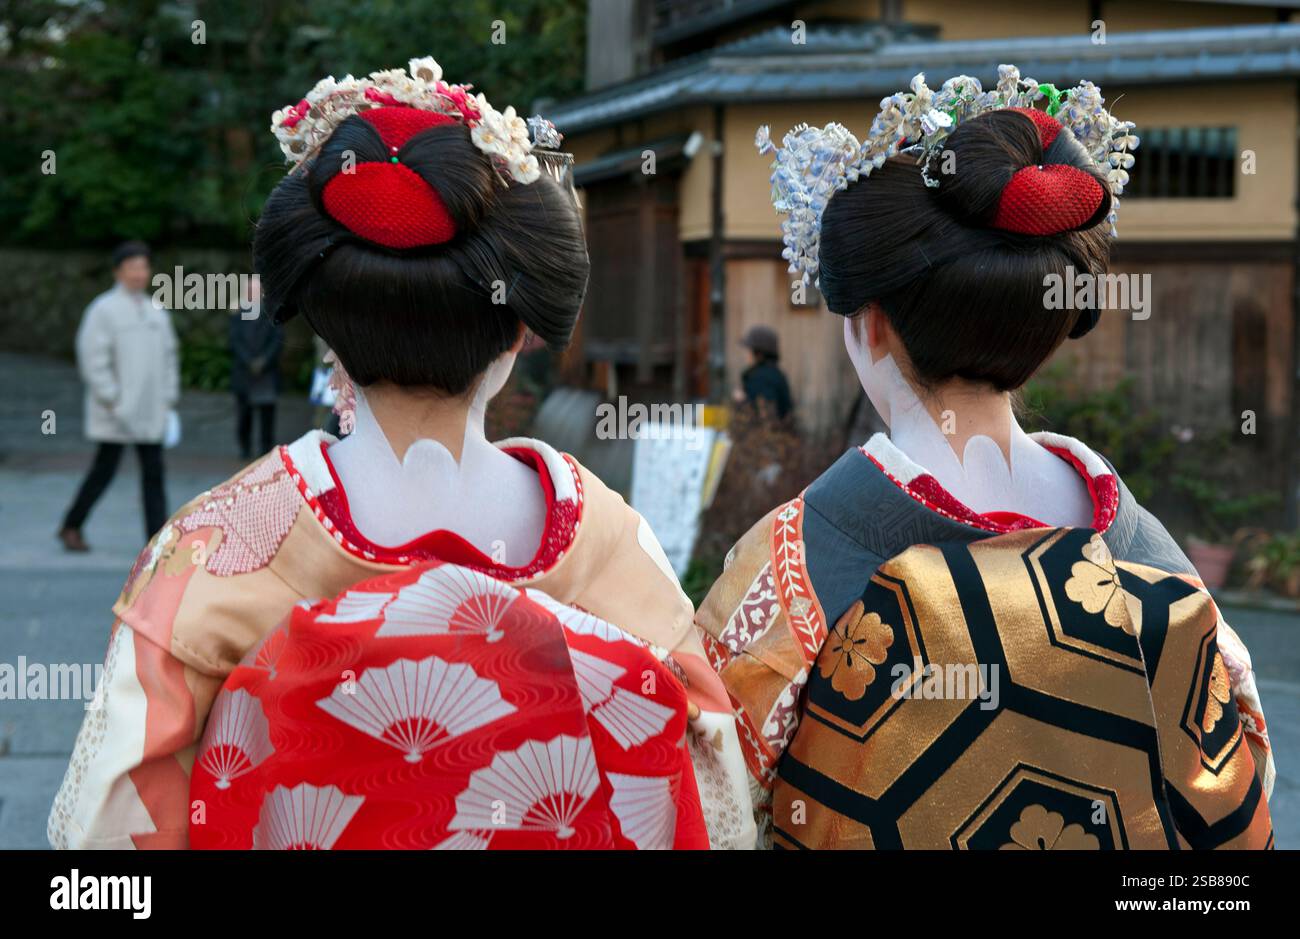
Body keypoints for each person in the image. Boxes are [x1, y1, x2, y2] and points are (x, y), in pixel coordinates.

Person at [48, 58, 753, 851]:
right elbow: (717, 808)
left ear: (323, 324)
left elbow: (107, 839)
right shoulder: (610, 546)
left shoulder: (218, 550)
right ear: (520, 329)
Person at [697, 67, 1274, 849]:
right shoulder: (1149, 556)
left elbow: (708, 806)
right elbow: (1239, 781)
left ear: (869, 324)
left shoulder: (800, 561)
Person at [58, 241, 179, 551]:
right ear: (118, 271)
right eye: (133, 267)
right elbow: (92, 359)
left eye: (144, 267)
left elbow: (169, 357)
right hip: (115, 411)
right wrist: (112, 398)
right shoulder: (103, 310)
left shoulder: (156, 311)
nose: (140, 273)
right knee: (104, 470)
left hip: (151, 409)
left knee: (154, 472)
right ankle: (72, 524)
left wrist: (168, 398)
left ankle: (156, 540)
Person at [228, 274, 282, 459]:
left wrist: (264, 361)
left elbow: (278, 340)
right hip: (244, 372)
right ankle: (245, 448)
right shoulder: (237, 314)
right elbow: (234, 341)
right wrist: (248, 361)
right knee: (244, 414)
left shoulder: (272, 313)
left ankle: (265, 449)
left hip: (267, 372)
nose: (252, 293)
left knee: (267, 415)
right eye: (249, 290)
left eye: (256, 290)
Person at [735, 325, 792, 420]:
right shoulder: (775, 374)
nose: (747, 355)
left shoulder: (761, 378)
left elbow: (765, 414)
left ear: (759, 354)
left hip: (764, 433)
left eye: (750, 351)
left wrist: (741, 400)